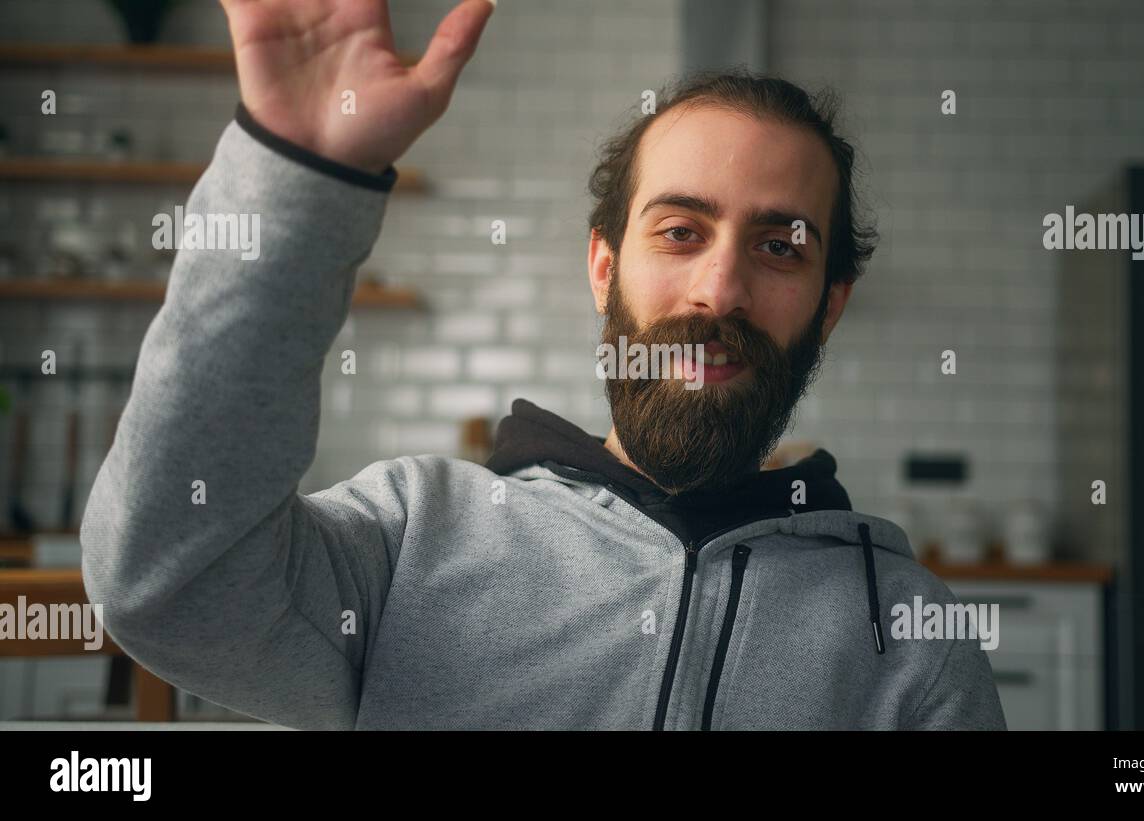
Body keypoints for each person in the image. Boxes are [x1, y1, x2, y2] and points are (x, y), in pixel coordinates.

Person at [81, 0, 1005, 730]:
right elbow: (166, 585)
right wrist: (298, 179)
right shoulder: (413, 543)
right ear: (604, 268)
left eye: (778, 248)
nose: (719, 290)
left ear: (829, 304)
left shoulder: (912, 639)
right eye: (680, 231)